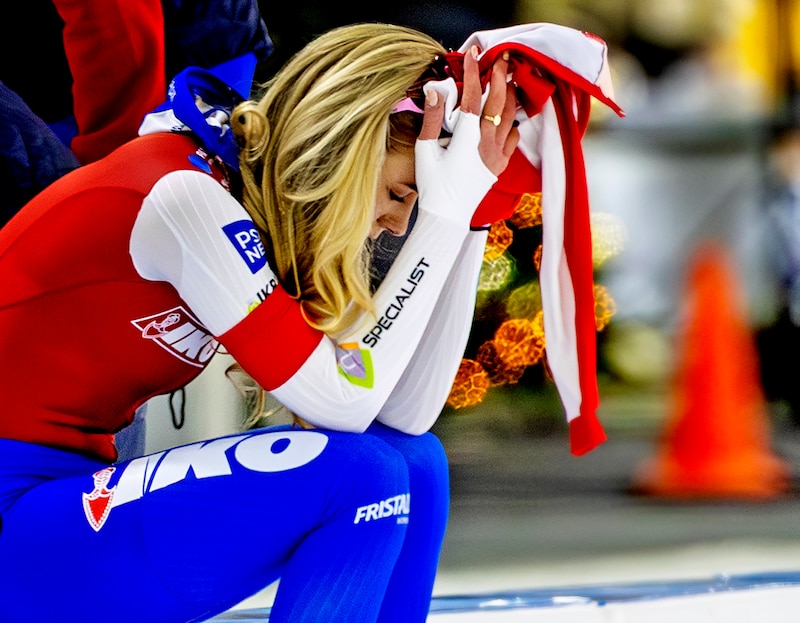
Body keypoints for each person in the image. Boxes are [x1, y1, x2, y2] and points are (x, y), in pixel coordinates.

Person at [0, 22, 520, 623]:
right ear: (346, 150)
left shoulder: (243, 193)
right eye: (403, 194)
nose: (399, 228)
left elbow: (405, 413)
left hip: (49, 505)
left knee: (415, 463)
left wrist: (473, 216)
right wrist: (446, 219)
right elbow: (347, 408)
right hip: (20, 512)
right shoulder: (184, 197)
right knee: (361, 480)